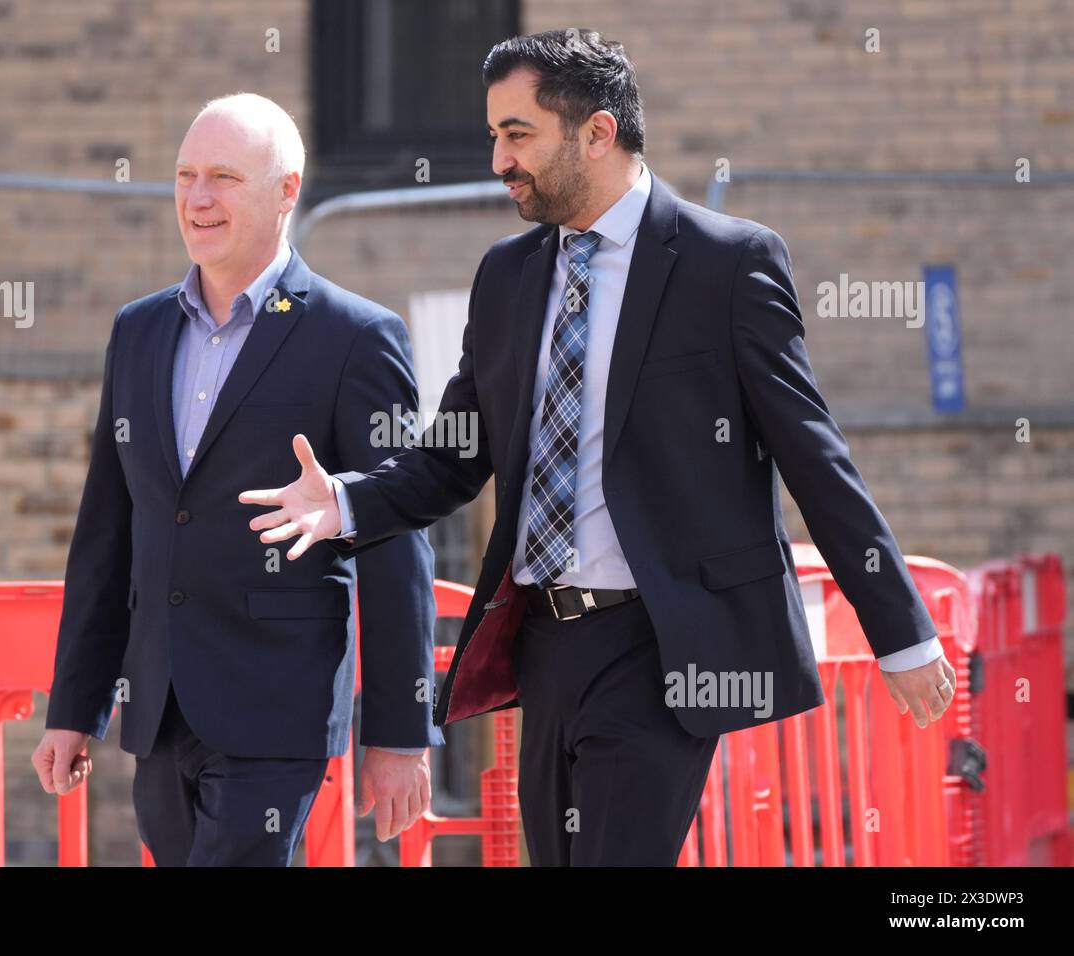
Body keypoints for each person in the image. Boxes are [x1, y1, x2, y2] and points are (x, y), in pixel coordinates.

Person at [239, 31, 956, 866]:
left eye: (518, 135)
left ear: (598, 133)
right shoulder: (507, 277)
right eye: (493, 137)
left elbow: (813, 455)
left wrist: (901, 633)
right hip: (544, 646)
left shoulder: (728, 265)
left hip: (664, 647)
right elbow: (456, 457)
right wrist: (348, 502)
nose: (500, 159)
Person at [32, 93, 442, 866]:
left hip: (274, 709)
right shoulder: (138, 331)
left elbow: (397, 544)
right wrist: (74, 708)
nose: (198, 198)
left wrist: (397, 733)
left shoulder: (356, 338)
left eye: (224, 176)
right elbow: (106, 533)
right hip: (156, 709)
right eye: (185, 176)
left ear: (288, 189)